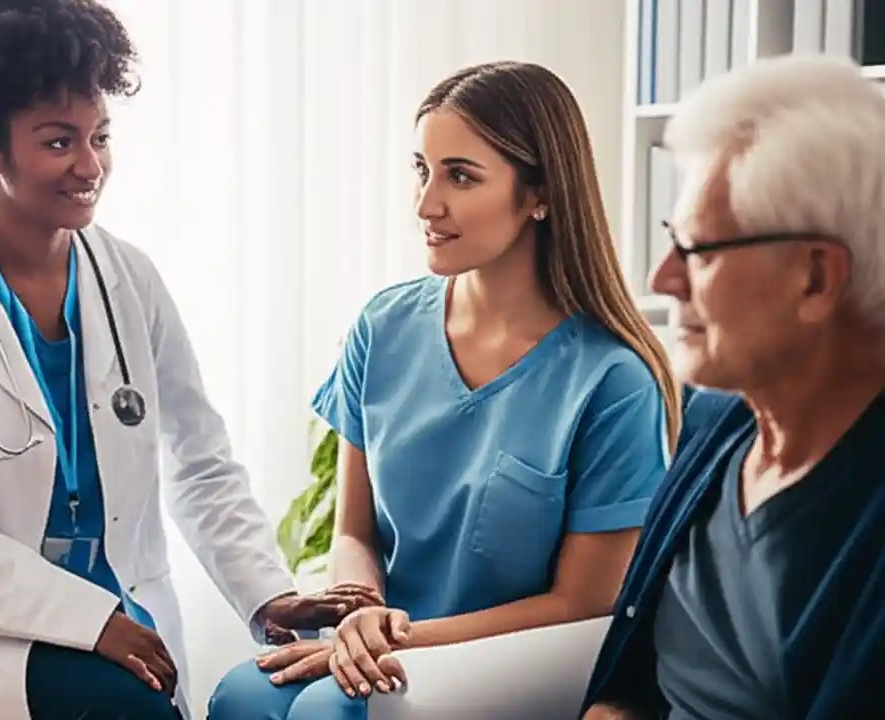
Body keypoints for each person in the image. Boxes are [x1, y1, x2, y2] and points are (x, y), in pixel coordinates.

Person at [0, 1, 377, 718]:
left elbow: (201, 464)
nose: (90, 166)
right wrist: (89, 621)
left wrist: (269, 592)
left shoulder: (130, 281)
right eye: (59, 142)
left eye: (100, 137)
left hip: (127, 612)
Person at [208, 61, 682, 720]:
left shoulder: (612, 382)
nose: (427, 204)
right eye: (421, 170)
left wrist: (399, 641)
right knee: (240, 695)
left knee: (326, 714)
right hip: (389, 639)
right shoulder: (382, 326)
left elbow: (583, 603)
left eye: (460, 175)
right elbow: (355, 530)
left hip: (508, 660)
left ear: (539, 192)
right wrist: (358, 612)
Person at [581, 54, 885, 720]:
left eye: (698, 250)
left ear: (814, 277)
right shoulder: (718, 416)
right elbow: (632, 680)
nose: (663, 278)